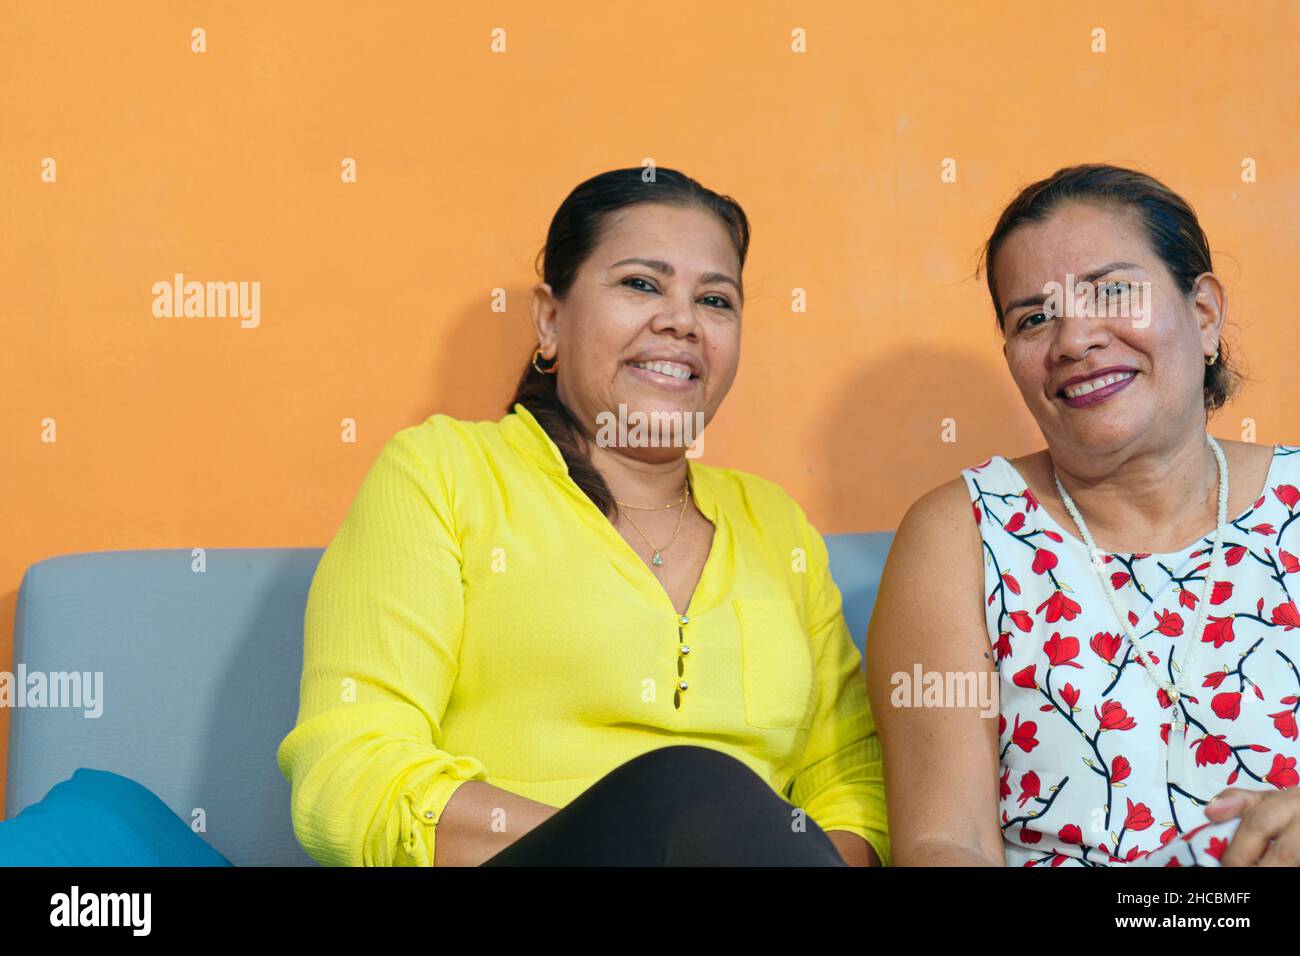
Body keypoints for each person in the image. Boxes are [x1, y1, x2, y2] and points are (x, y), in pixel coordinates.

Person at [276, 166, 889, 866]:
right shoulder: (442, 472)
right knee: (690, 786)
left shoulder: (775, 524)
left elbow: (852, 786)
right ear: (550, 319)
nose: (681, 322)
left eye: (715, 300)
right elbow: (350, 771)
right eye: (640, 284)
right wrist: (644, 845)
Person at [867, 163, 1300, 867]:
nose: (1073, 341)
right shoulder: (961, 536)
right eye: (1034, 318)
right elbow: (947, 843)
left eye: (1113, 292)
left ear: (1204, 313)